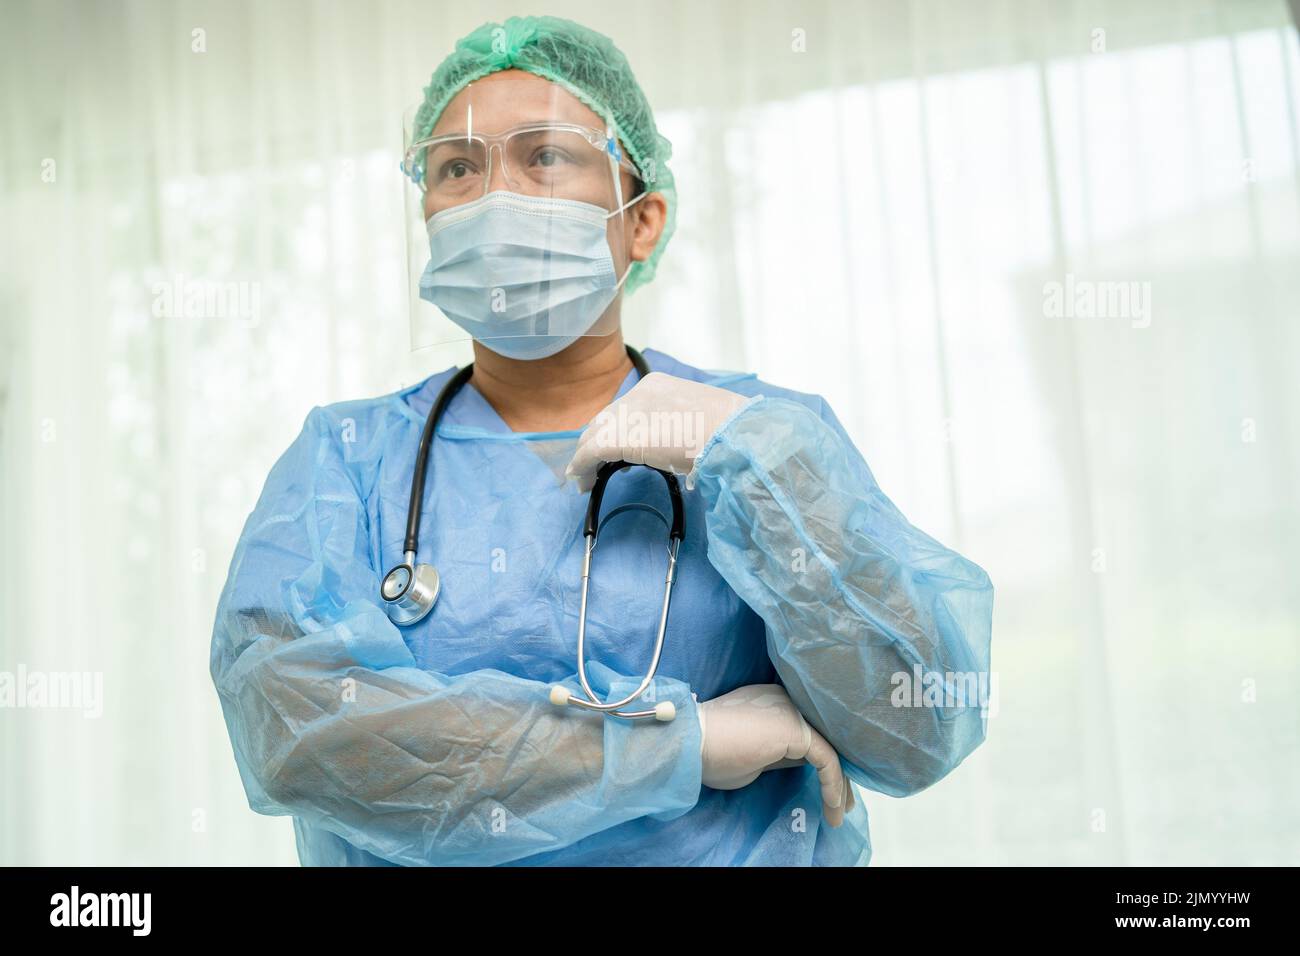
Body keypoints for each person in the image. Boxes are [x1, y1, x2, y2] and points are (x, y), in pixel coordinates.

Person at [209, 15, 994, 867]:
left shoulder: (763, 441)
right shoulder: (349, 458)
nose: (495, 196)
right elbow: (297, 734)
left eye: (544, 156)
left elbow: (919, 727)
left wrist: (748, 463)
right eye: (457, 167)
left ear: (643, 218)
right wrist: (674, 746)